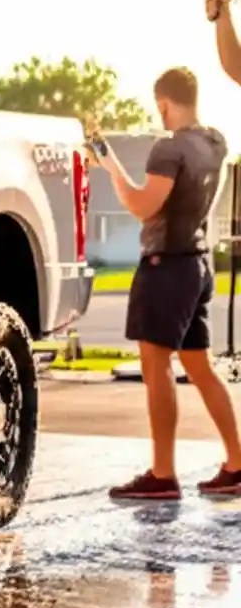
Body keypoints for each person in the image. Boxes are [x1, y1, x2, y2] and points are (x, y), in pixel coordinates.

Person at [97, 66, 241, 500]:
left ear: (164, 102)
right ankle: (237, 465)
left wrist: (110, 166)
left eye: (157, 106)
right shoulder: (215, 142)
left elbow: (143, 206)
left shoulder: (169, 148)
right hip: (197, 265)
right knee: (200, 367)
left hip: (165, 267)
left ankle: (162, 475)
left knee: (156, 367)